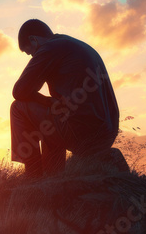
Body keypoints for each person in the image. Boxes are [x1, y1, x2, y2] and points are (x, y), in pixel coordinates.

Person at [10, 19, 120, 178]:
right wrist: (50, 103)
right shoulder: (73, 44)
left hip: (84, 134)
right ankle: (52, 177)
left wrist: (47, 101)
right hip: (107, 133)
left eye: (31, 53)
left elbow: (19, 91)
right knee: (52, 116)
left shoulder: (49, 48)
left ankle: (32, 177)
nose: (34, 57)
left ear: (34, 40)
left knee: (18, 107)